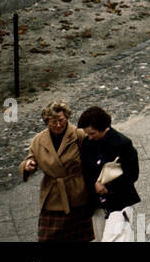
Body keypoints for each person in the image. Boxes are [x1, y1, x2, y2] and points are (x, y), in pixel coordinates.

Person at [21, 101, 94, 243]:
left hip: (76, 194)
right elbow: (30, 158)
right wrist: (27, 165)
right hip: (53, 195)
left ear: (66, 117)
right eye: (53, 122)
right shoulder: (39, 140)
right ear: (47, 121)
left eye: (61, 120)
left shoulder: (78, 135)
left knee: (79, 239)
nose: (58, 125)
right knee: (47, 238)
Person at [78, 106, 140, 242]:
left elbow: (132, 174)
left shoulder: (122, 144)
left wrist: (109, 184)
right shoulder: (88, 144)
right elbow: (85, 170)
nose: (89, 137)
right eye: (87, 133)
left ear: (103, 128)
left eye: (92, 133)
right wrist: (94, 184)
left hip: (119, 201)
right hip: (97, 203)